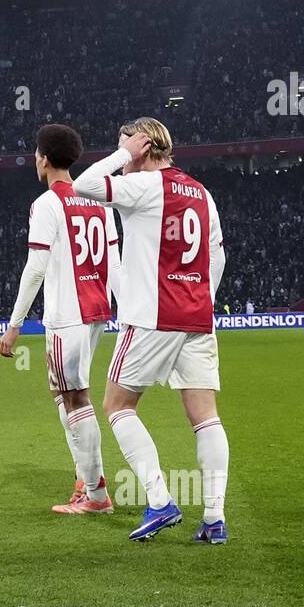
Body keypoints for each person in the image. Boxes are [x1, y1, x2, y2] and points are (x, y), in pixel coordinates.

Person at [72, 118, 232, 545]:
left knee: (118, 405)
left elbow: (84, 184)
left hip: (152, 316)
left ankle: (160, 501)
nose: (121, 159)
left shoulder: (144, 186)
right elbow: (217, 256)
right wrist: (201, 299)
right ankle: (214, 518)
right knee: (205, 414)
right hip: (197, 316)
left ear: (142, 148)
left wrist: (125, 154)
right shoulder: (200, 191)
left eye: (124, 148)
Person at [0, 124, 118, 515]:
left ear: (45, 159)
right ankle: (85, 480)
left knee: (74, 396)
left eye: (36, 153)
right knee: (64, 393)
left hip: (67, 313)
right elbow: (114, 262)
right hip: (97, 310)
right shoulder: (98, 202)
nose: (35, 159)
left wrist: (15, 323)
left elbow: (36, 269)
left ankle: (96, 495)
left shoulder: (47, 204)